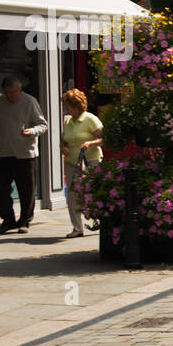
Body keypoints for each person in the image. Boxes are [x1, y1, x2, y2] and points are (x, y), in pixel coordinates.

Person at [0, 76, 48, 234]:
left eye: (15, 92)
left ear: (20, 89)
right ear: (4, 92)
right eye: (8, 93)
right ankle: (8, 220)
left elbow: (43, 124)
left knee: (26, 191)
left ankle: (25, 221)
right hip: (4, 152)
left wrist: (32, 131)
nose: (12, 96)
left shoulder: (29, 101)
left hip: (25, 154)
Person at [59, 89, 103, 238]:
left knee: (93, 192)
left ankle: (102, 222)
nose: (67, 109)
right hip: (72, 162)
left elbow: (104, 139)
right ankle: (77, 228)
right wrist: (63, 148)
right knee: (72, 195)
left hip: (91, 161)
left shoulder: (90, 119)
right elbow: (63, 141)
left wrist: (90, 142)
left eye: (69, 106)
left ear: (77, 105)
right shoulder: (67, 121)